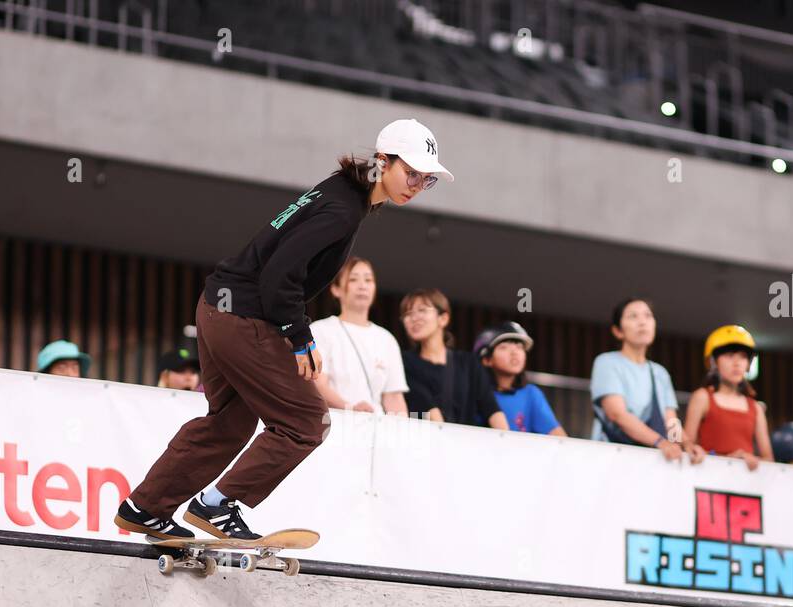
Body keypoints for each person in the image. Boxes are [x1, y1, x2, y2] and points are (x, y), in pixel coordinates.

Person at [116, 118, 453, 541]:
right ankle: (215, 505)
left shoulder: (343, 190)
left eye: (427, 180)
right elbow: (279, 275)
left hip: (218, 308)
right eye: (412, 173)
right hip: (244, 318)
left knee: (228, 424)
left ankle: (144, 508)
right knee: (308, 422)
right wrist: (300, 336)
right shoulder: (342, 209)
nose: (417, 185)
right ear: (383, 161)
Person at [590, 297, 703, 463]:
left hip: (649, 460)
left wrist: (686, 444)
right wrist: (660, 442)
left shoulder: (659, 373)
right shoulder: (607, 362)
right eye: (633, 316)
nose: (642, 322)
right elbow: (617, 414)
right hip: (611, 457)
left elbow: (671, 421)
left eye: (648, 316)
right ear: (618, 331)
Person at [309, 257, 408, 415]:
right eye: (353, 279)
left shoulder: (386, 339)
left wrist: (401, 432)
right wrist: (350, 408)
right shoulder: (320, 330)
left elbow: (394, 397)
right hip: (334, 424)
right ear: (336, 289)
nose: (363, 286)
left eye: (368, 280)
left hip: (377, 428)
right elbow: (317, 384)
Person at [400, 288, 505, 429]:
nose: (414, 318)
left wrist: (506, 441)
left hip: (464, 444)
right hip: (425, 443)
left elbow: (491, 409)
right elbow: (425, 405)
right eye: (408, 314)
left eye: (422, 310)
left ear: (443, 318)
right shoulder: (404, 361)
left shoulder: (468, 363)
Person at [683, 325, 773, 469]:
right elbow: (686, 447)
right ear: (714, 362)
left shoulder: (756, 408)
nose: (737, 363)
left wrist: (750, 460)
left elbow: (769, 460)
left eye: (743, 357)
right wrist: (727, 460)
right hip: (707, 483)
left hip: (746, 486)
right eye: (729, 356)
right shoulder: (702, 397)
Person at [475, 322, 566, 436]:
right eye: (504, 347)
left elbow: (560, 439)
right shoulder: (474, 393)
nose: (514, 353)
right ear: (486, 359)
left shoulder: (531, 394)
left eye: (519, 347)